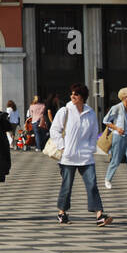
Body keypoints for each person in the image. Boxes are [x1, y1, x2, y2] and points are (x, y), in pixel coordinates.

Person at [51, 83, 113, 227]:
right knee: (67, 186)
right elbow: (55, 130)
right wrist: (63, 146)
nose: (73, 96)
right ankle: (62, 212)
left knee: (92, 185)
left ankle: (99, 215)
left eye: (76, 94)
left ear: (83, 97)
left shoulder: (90, 113)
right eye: (72, 93)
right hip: (68, 156)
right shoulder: (64, 111)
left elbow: (93, 132)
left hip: (86, 156)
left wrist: (91, 148)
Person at [103, 87, 127, 190]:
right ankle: (108, 179)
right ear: (125, 98)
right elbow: (106, 121)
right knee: (116, 160)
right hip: (119, 137)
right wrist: (116, 128)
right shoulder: (116, 108)